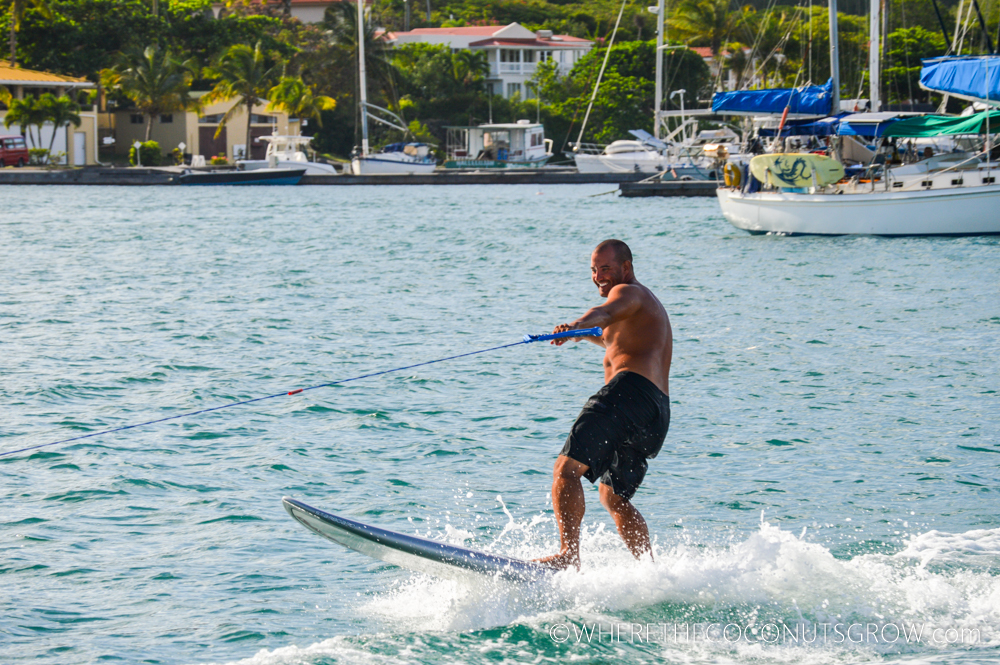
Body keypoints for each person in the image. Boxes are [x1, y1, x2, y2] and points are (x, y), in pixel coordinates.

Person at [536, 239, 672, 570]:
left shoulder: (628, 293)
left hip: (629, 393)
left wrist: (577, 324)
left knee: (566, 470)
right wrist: (580, 335)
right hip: (655, 410)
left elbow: (603, 314)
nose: (599, 277)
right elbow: (612, 337)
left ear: (626, 267)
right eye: (594, 270)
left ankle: (568, 556)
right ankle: (648, 572)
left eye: (606, 268)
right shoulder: (644, 306)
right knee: (613, 497)